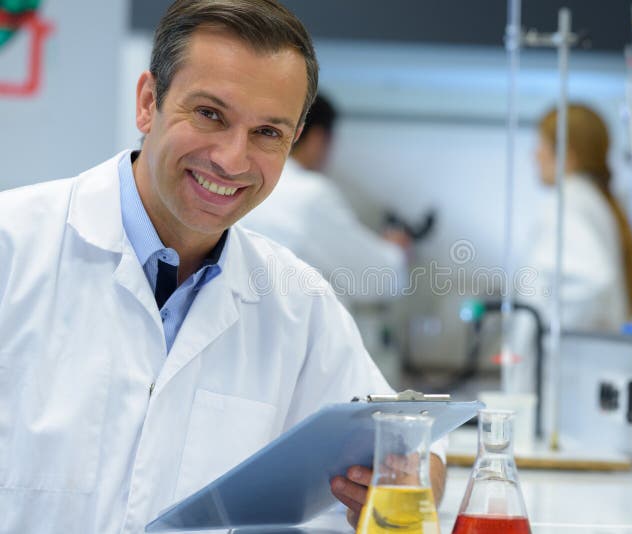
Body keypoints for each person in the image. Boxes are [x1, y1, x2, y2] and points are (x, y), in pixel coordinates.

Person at [0, 1, 444, 532]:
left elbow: (408, 438)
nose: (232, 160)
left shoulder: (296, 300)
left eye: (267, 133)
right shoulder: (13, 244)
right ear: (148, 102)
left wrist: (409, 474)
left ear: (294, 141)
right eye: (211, 114)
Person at [242, 93, 410, 303]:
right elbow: (378, 280)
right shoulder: (308, 195)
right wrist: (395, 249)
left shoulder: (246, 184)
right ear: (318, 138)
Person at [520, 103, 632, 330]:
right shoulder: (591, 200)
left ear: (567, 154)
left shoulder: (567, 201)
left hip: (565, 361)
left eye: (541, 144)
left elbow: (593, 281)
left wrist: (542, 330)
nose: (535, 155)